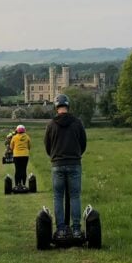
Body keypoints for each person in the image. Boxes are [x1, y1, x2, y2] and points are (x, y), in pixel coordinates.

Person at [44, 94, 87, 240]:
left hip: (57, 164)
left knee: (58, 196)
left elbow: (47, 146)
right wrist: (76, 154)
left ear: (56, 107)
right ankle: (76, 230)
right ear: (68, 106)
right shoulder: (77, 122)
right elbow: (83, 143)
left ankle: (61, 230)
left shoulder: (51, 124)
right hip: (74, 163)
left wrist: (55, 157)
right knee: (75, 196)